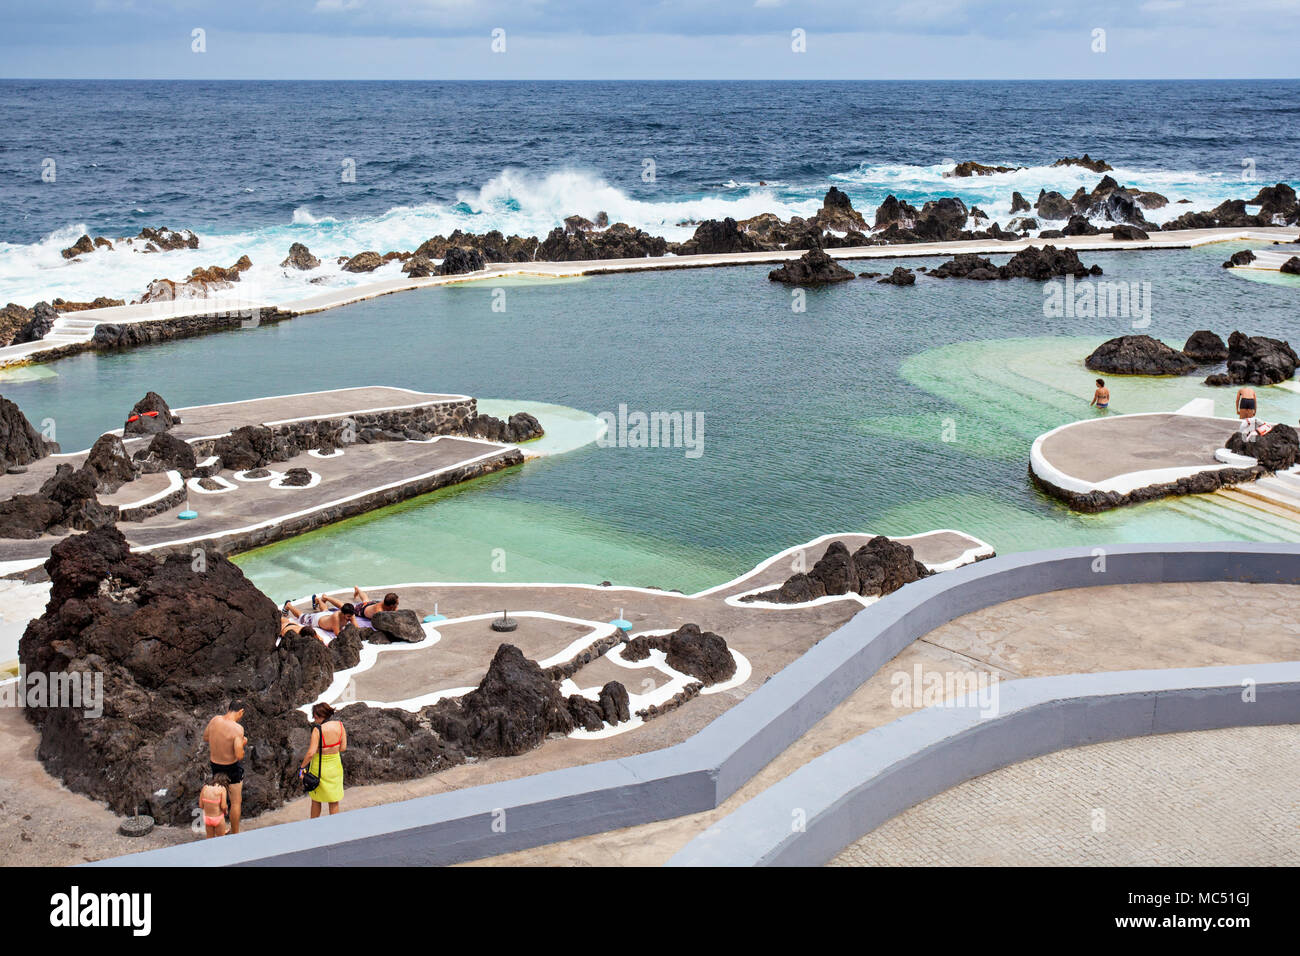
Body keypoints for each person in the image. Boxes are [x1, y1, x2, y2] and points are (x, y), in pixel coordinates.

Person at [203, 701, 248, 834]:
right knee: (235, 802)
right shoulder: (237, 729)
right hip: (231, 767)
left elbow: (206, 737)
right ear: (240, 712)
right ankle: (235, 832)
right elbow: (239, 755)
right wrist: (243, 742)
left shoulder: (215, 720)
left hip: (215, 765)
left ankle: (216, 829)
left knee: (218, 798)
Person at [299, 702, 346, 818]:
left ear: (319, 715)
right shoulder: (340, 725)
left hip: (319, 769)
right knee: (334, 800)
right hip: (335, 767)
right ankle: (334, 828)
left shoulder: (318, 730)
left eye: (315, 716)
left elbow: (311, 753)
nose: (314, 719)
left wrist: (301, 768)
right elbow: (343, 748)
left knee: (316, 800)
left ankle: (314, 827)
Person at [321, 588, 398, 630]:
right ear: (391, 605)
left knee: (366, 600)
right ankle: (326, 597)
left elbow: (395, 612)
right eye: (396, 604)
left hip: (372, 604)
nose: (397, 605)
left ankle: (357, 589)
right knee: (344, 607)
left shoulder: (387, 603)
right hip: (362, 610)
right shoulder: (379, 611)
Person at [282, 598, 355, 639]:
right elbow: (337, 633)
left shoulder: (350, 614)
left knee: (325, 610)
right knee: (301, 616)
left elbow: (356, 627)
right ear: (342, 613)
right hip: (317, 620)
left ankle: (318, 599)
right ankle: (288, 605)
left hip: (327, 615)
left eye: (351, 616)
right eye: (348, 617)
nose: (350, 618)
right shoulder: (336, 617)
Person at [198, 773, 230, 839]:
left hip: (207, 819)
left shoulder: (205, 787)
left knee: (210, 839)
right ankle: (223, 831)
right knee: (221, 839)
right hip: (218, 818)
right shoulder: (222, 789)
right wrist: (226, 810)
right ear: (224, 781)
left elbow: (201, 806)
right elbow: (223, 806)